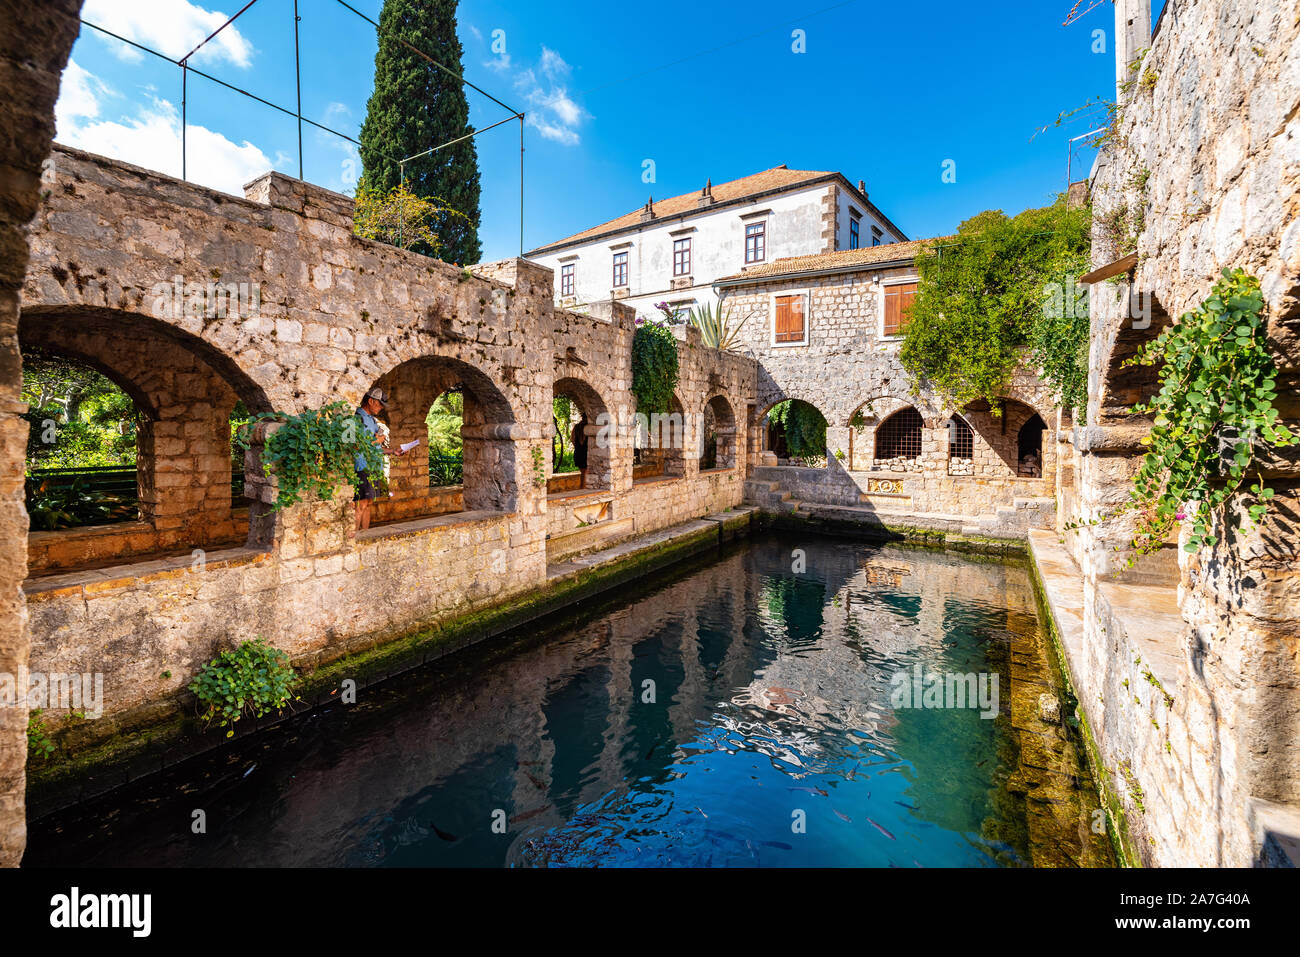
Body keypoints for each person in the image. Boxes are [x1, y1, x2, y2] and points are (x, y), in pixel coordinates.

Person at [354, 387, 405, 531]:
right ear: (370, 401)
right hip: (363, 467)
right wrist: (377, 440)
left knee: (369, 504)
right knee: (361, 505)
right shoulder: (357, 418)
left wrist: (393, 451)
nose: (381, 408)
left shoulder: (372, 420)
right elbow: (355, 446)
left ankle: (364, 536)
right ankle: (355, 540)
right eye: (380, 404)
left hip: (374, 467)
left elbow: (375, 448)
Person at [571, 419, 589, 488]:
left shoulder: (576, 427)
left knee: (583, 472)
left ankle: (582, 487)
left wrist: (578, 447)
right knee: (585, 473)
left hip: (578, 452)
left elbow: (572, 439)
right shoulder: (588, 427)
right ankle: (583, 488)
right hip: (585, 453)